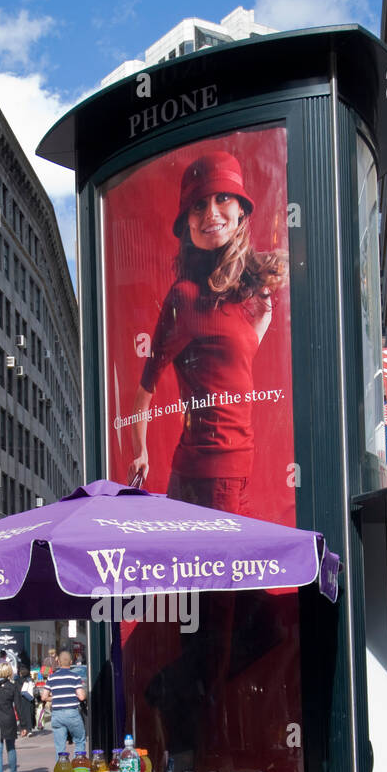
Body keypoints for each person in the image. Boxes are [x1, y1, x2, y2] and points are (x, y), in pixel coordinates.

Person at [127, 151, 289, 515]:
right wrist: (141, 452)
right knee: (219, 571)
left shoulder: (251, 294)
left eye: (222, 198)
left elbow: (237, 363)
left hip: (236, 471)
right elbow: (144, 390)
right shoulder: (184, 297)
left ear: (241, 210)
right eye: (198, 206)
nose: (211, 213)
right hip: (208, 475)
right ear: (187, 223)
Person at [42, 649, 87, 757]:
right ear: (71, 662)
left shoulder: (52, 677)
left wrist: (55, 698)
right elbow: (81, 696)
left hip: (57, 715)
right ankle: (79, 769)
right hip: (72, 713)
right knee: (80, 740)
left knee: (60, 747)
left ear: (58, 662)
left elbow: (44, 697)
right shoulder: (75, 677)